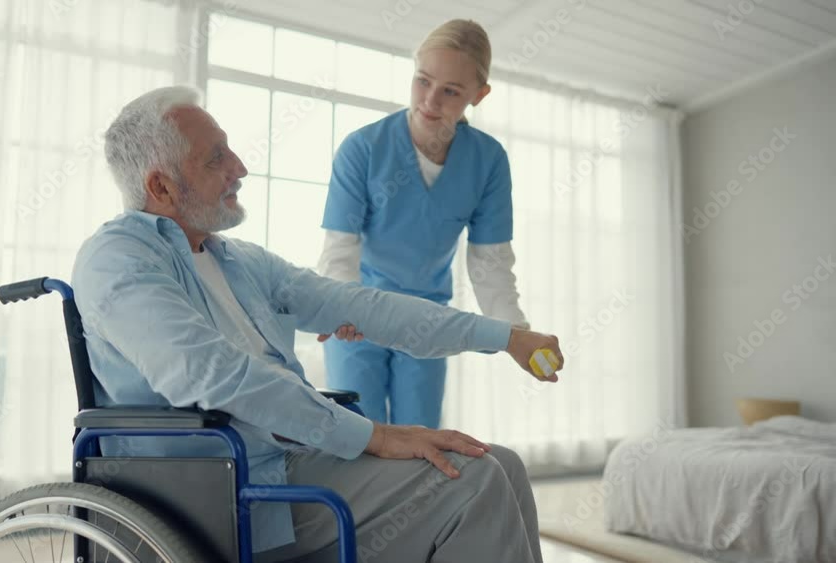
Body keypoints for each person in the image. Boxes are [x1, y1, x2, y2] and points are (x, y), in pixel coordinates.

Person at [72, 85, 563, 562]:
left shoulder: (234, 260)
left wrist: (506, 337)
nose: (239, 167)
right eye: (216, 157)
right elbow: (208, 373)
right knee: (472, 482)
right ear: (160, 187)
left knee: (502, 464)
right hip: (221, 488)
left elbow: (361, 305)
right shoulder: (117, 259)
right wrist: (377, 435)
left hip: (284, 461)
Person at [319, 19, 529, 429]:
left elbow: (490, 263)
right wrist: (339, 309)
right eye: (423, 81)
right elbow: (339, 251)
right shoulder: (363, 148)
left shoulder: (488, 161)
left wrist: (516, 332)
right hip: (357, 314)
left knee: (420, 439)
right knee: (359, 437)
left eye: (451, 91)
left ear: (479, 94)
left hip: (428, 323)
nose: (430, 101)